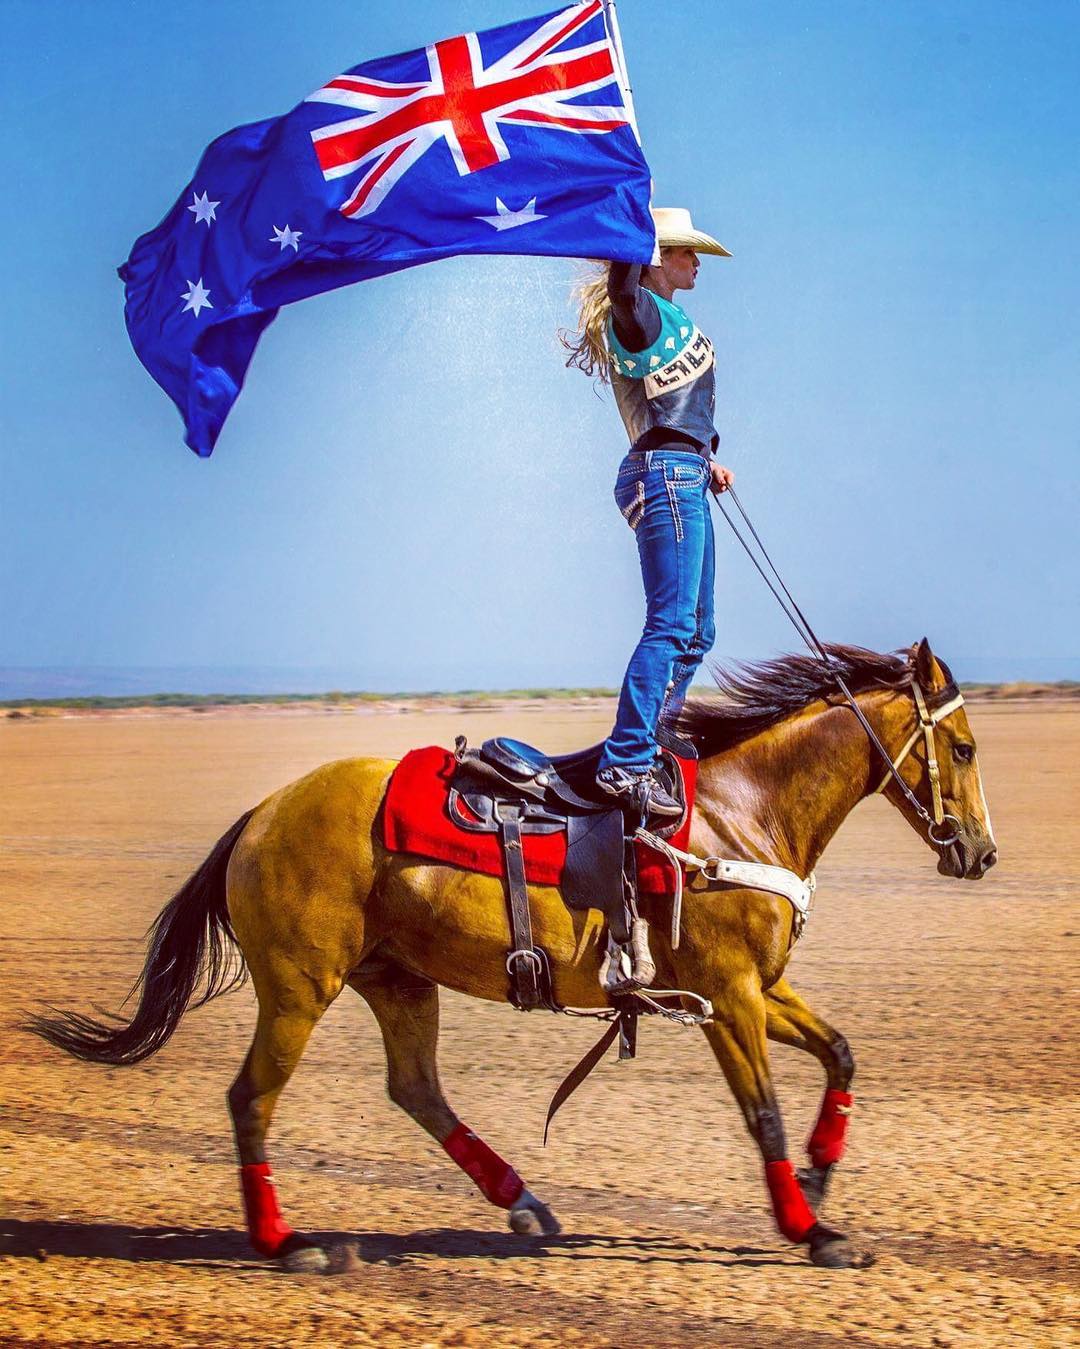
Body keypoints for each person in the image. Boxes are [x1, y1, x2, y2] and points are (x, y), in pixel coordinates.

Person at [561, 206, 734, 820]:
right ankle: (628, 761)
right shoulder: (639, 311)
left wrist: (706, 453)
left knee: (698, 629)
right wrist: (626, 233)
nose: (696, 263)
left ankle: (652, 736)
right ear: (658, 257)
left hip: (683, 468)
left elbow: (674, 406)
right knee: (670, 623)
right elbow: (622, 289)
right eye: (688, 253)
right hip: (665, 474)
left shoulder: (672, 318)